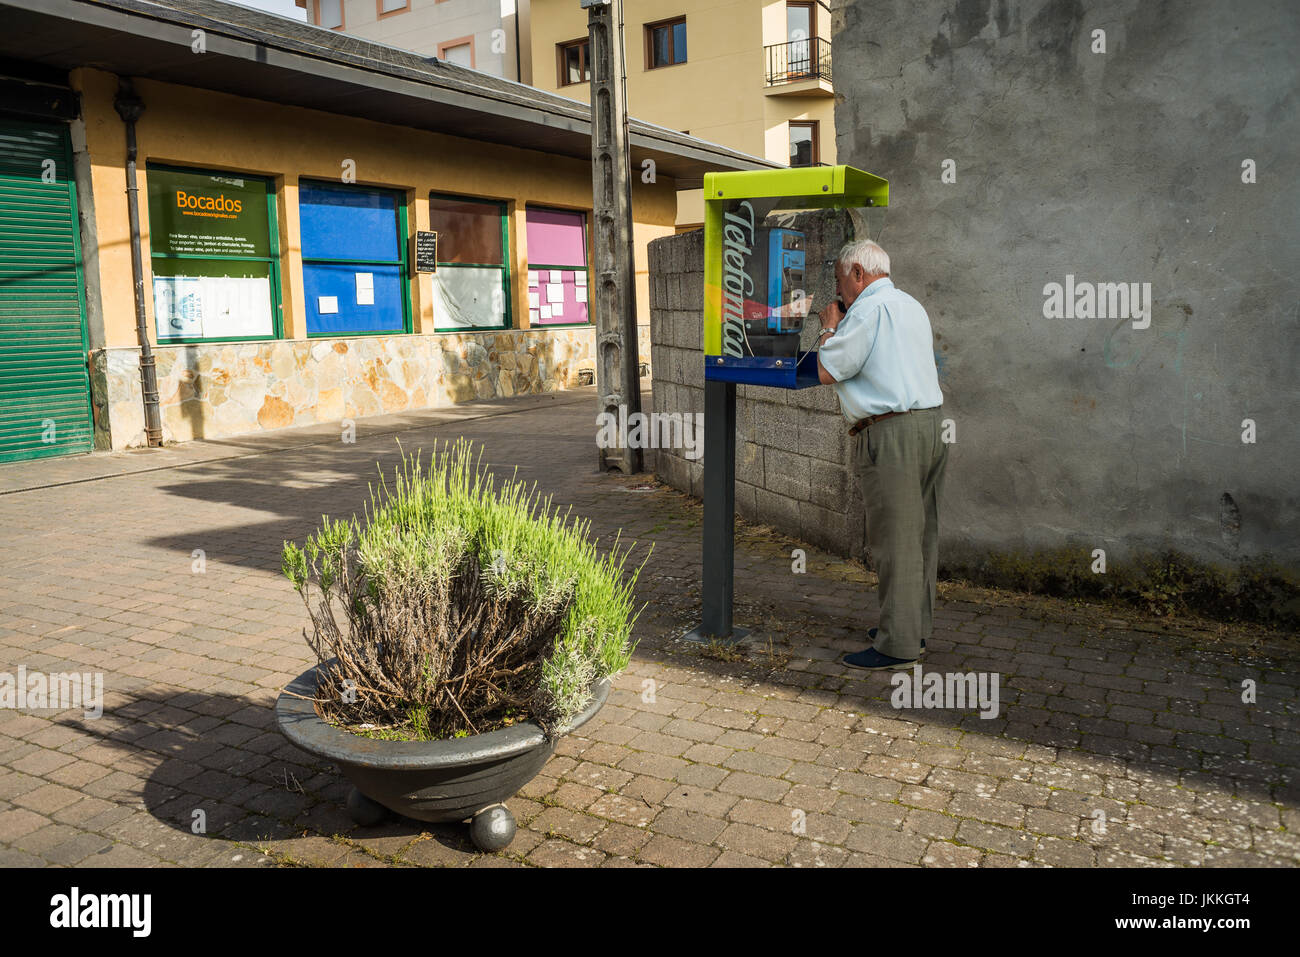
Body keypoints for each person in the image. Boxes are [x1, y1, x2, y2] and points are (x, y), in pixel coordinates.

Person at [815, 239, 947, 669]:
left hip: (891, 434)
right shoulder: (910, 305)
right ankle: (913, 627)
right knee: (920, 536)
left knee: (894, 541)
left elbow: (827, 368)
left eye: (839, 279)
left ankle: (898, 646)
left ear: (857, 273)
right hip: (929, 425)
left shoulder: (867, 310)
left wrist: (829, 326)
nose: (839, 290)